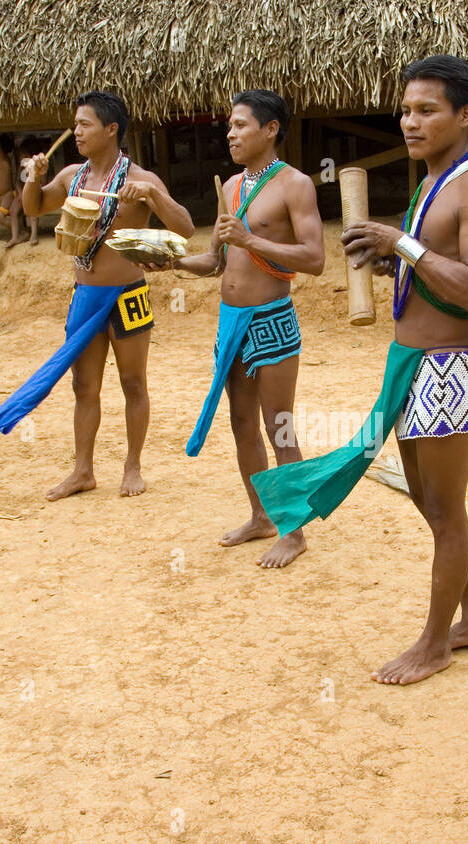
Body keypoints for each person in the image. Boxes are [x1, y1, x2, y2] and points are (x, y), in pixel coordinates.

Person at [250, 55, 468, 681]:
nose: (409, 122)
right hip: (411, 362)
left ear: (464, 114)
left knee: (445, 510)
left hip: (445, 367)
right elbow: (438, 276)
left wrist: (403, 245)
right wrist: (397, 261)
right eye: (405, 109)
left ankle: (436, 643)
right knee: (429, 500)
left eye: (427, 110)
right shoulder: (431, 184)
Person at [0, 91, 194, 499]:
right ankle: (82, 470)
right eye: (75, 125)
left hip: (128, 296)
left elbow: (185, 227)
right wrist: (31, 178)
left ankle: (132, 466)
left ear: (111, 129)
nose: (76, 132)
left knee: (133, 383)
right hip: (85, 294)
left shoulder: (142, 179)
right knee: (84, 387)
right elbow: (32, 208)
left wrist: (152, 197)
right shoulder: (71, 177)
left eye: (84, 125)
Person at [161, 90, 324, 568]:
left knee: (280, 428)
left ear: (270, 129)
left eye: (240, 125)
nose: (230, 135)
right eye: (229, 127)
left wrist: (251, 239)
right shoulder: (230, 188)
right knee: (241, 423)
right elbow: (215, 261)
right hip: (230, 323)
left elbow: (315, 258)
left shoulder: (295, 185)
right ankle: (261, 517)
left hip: (272, 320)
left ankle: (294, 532)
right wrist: (168, 261)